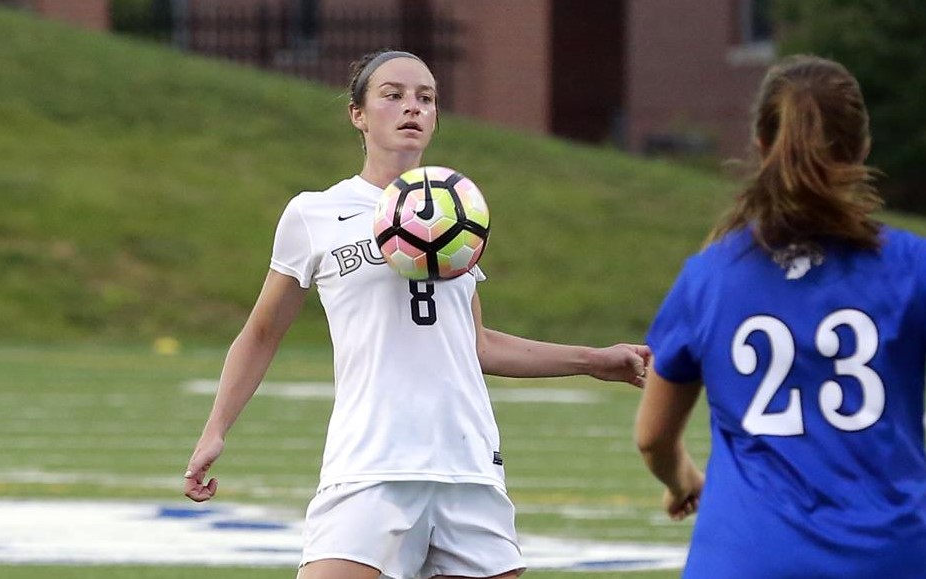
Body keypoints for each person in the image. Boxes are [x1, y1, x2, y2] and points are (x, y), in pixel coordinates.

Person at [183, 48, 650, 579]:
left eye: (425, 98)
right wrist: (216, 428)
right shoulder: (314, 213)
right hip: (369, 466)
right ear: (357, 114)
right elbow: (262, 333)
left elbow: (475, 343)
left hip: (466, 469)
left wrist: (595, 360)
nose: (413, 107)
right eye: (393, 95)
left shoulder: (460, 209)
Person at [635, 54, 926, 578]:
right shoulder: (912, 267)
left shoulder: (711, 275)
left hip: (746, 555)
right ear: (862, 147)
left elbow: (653, 437)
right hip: (888, 555)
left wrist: (684, 483)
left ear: (762, 145)